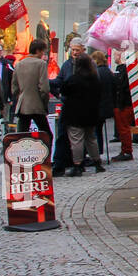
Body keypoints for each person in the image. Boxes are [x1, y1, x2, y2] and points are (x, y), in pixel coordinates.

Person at [60, 54, 106, 175]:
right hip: (91, 113)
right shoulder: (95, 79)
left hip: (75, 114)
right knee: (91, 138)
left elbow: (64, 91)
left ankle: (78, 165)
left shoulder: (74, 79)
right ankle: (97, 162)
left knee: (76, 140)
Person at [50, 38, 87, 175]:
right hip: (67, 104)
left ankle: (78, 164)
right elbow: (60, 80)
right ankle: (59, 164)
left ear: (83, 50)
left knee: (77, 136)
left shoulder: (88, 65)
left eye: (77, 50)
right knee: (62, 134)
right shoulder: (67, 65)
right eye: (73, 50)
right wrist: (48, 83)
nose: (74, 52)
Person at [11, 39, 52, 137]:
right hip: (37, 104)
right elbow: (44, 88)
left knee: (21, 135)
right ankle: (45, 152)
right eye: (43, 51)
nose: (43, 54)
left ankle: (22, 152)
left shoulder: (19, 64)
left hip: (23, 105)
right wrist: (45, 103)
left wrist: (19, 98)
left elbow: (14, 87)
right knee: (47, 135)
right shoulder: (41, 64)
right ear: (38, 51)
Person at [91, 50, 117, 157]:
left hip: (98, 105)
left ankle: (97, 150)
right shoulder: (108, 71)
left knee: (95, 130)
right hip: (107, 105)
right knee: (99, 128)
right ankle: (100, 149)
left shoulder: (97, 72)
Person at [110, 56, 135, 160]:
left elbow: (121, 88)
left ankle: (127, 151)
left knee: (124, 129)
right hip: (123, 103)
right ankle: (125, 150)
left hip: (123, 104)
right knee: (124, 129)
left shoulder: (123, 70)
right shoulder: (124, 69)